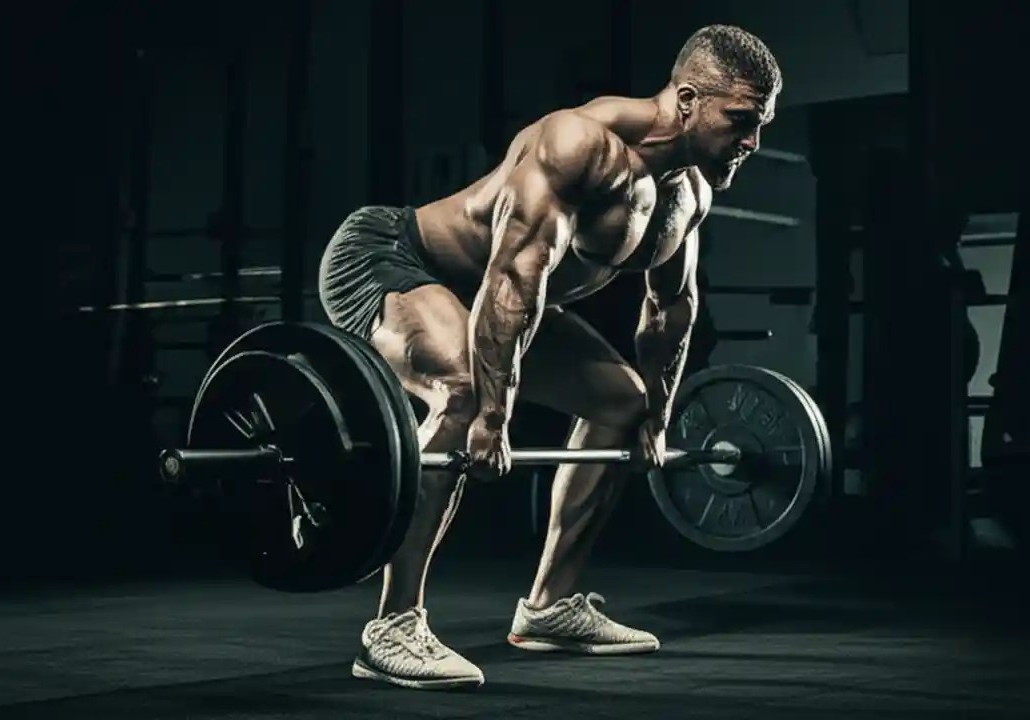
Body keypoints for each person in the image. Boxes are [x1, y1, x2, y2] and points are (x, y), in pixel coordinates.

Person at [318, 24, 781, 690]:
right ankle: (392, 626)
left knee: (622, 402)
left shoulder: (689, 194)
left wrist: (658, 414)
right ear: (687, 100)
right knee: (462, 388)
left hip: (495, 296)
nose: (752, 142)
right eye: (740, 120)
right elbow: (515, 278)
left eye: (761, 124)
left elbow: (670, 310)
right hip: (393, 258)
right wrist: (493, 415)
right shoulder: (579, 143)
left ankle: (549, 607)